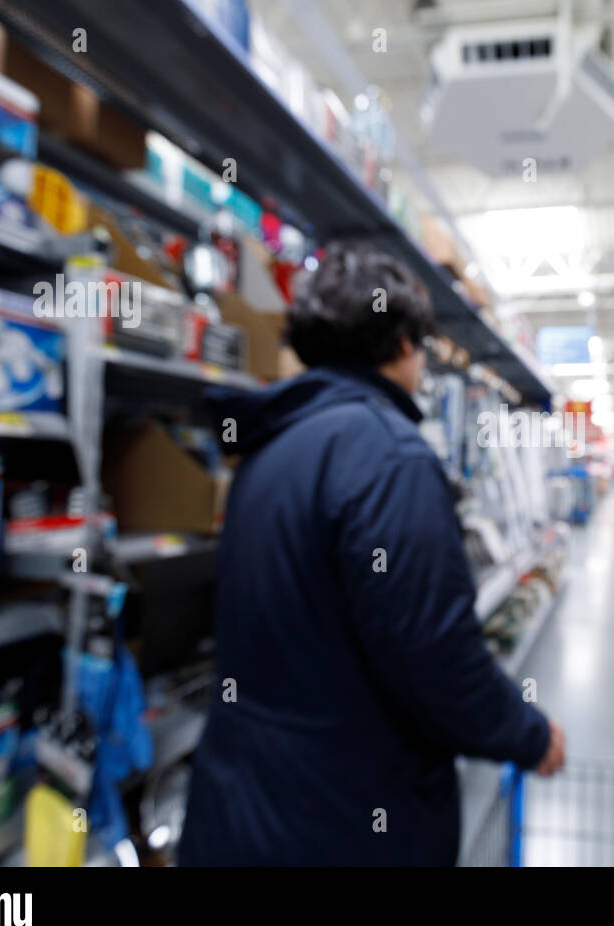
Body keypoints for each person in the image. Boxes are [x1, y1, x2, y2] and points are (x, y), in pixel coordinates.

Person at [179, 243, 565, 866]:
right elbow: (436, 655)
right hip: (344, 820)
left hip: (239, 803)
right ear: (407, 346)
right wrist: (527, 733)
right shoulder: (389, 457)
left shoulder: (266, 451)